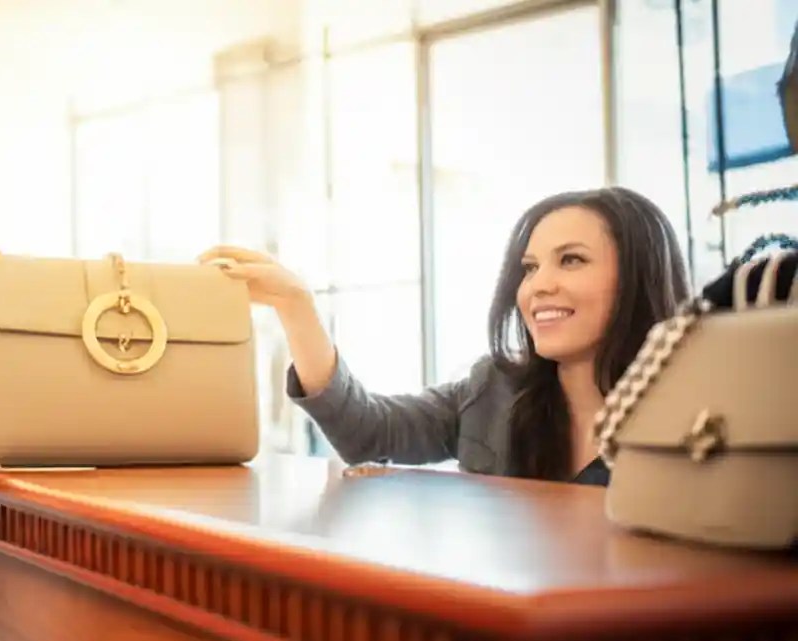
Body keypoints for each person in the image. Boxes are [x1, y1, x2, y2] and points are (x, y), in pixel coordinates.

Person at [200, 187, 691, 486]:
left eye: (572, 260)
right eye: (530, 267)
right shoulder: (493, 389)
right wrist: (296, 307)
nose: (539, 284)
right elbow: (369, 434)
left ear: (638, 279)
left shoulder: (700, 411)